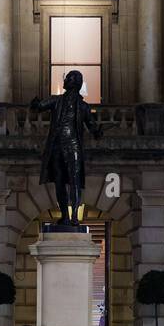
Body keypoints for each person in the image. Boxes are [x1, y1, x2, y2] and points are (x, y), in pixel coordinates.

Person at [30, 69, 102, 225]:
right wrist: (35, 101)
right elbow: (39, 106)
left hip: (73, 146)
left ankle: (74, 216)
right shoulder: (56, 101)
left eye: (68, 78)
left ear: (74, 82)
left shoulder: (83, 106)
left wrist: (97, 132)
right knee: (59, 182)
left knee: (74, 182)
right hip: (56, 146)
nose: (65, 80)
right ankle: (65, 216)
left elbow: (92, 126)